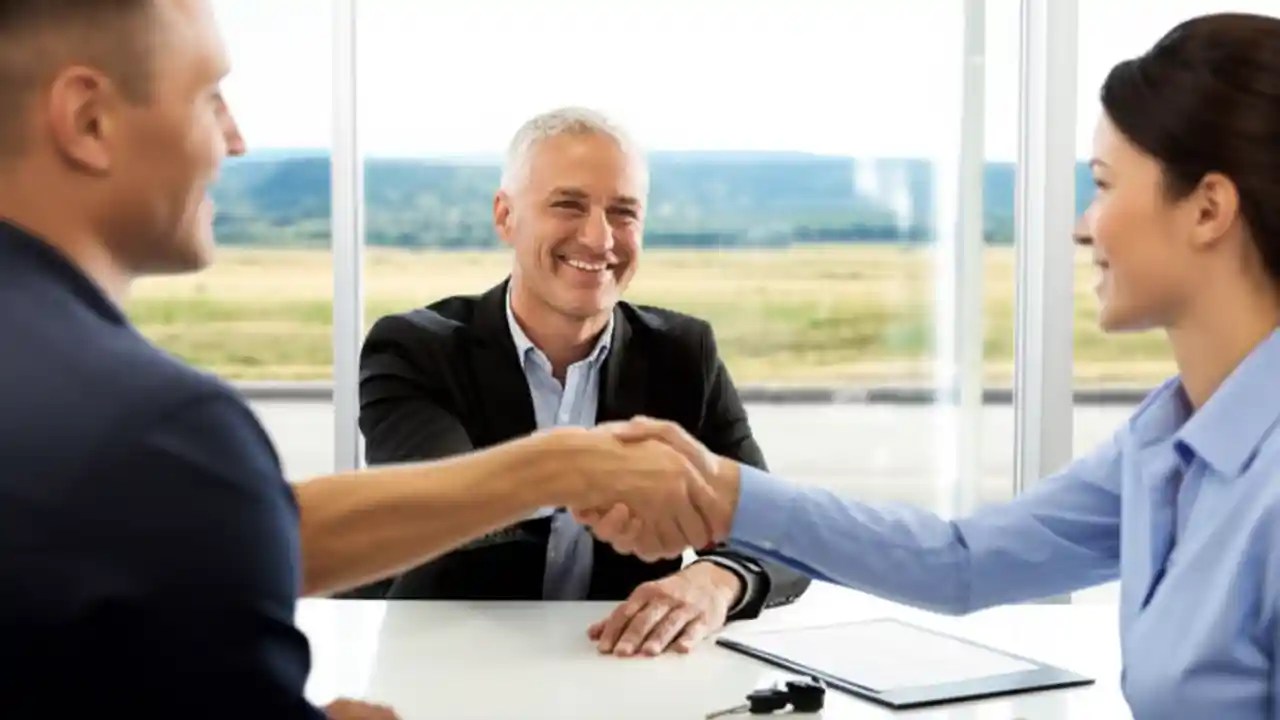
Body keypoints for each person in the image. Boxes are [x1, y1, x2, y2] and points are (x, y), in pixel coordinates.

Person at [0, 2, 715, 718]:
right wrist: (568, 467)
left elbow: (230, 542)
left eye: (624, 210)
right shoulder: (164, 426)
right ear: (89, 121)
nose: (237, 139)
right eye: (208, 96)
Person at [583, 12, 1280, 720]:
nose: (1080, 225)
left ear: (1208, 209)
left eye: (1103, 184)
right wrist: (719, 489)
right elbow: (960, 561)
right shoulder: (1167, 440)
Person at [353, 107, 809, 656]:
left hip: (617, 674)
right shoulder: (415, 348)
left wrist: (714, 581)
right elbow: (437, 511)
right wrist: (590, 473)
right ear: (505, 217)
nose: (599, 238)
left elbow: (782, 538)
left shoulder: (683, 354)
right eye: (568, 205)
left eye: (623, 213)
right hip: (451, 671)